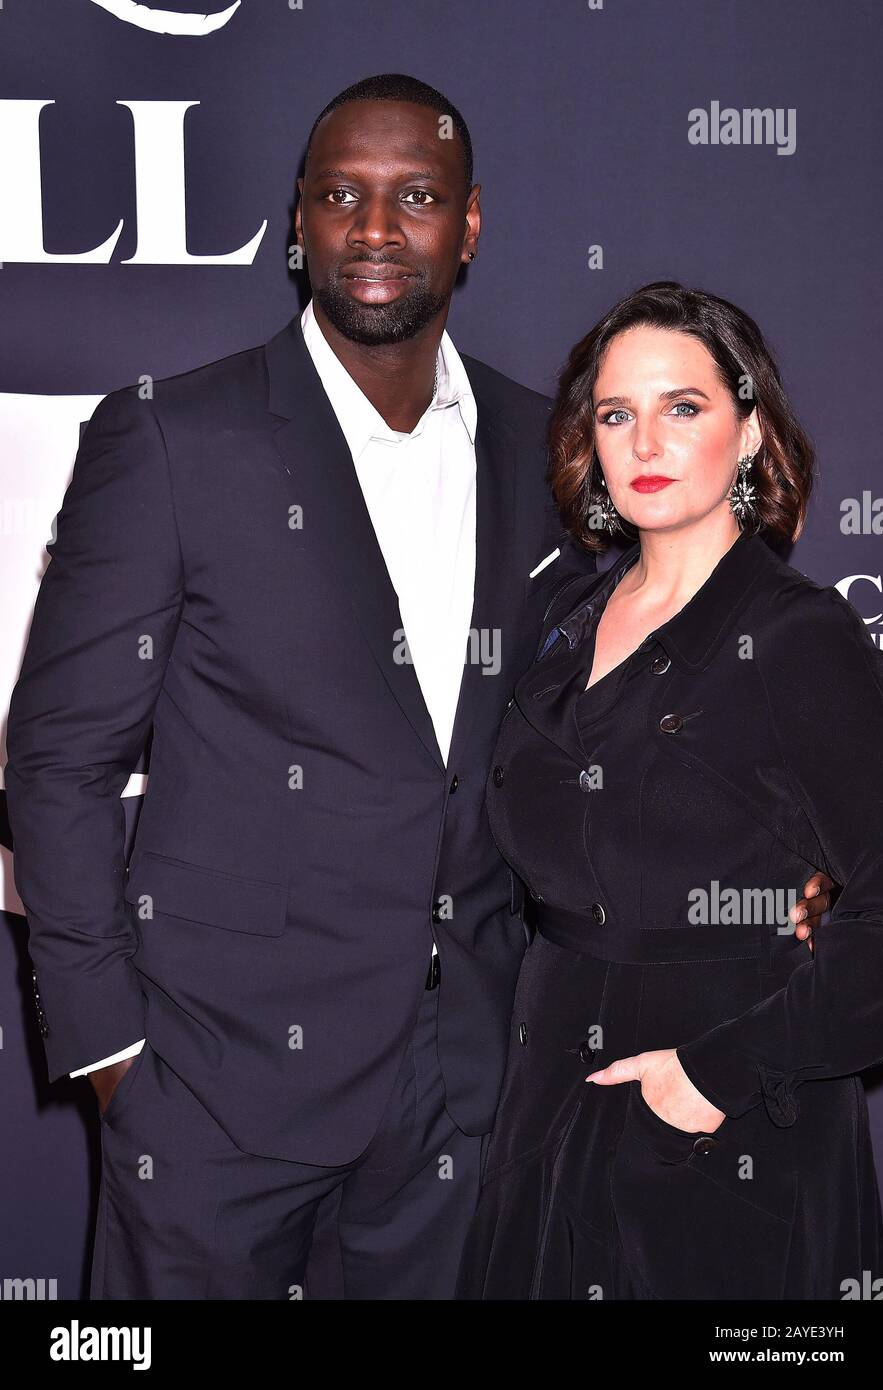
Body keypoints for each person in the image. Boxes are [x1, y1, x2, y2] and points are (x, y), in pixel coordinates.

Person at [5, 75, 830, 1299]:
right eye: (342, 196)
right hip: (211, 1098)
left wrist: (786, 873)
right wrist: (113, 1056)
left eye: (416, 198)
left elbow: (628, 700)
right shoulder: (177, 438)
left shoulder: (548, 450)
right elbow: (58, 759)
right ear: (298, 224)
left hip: (466, 1102)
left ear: (472, 223)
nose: (376, 229)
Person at [456, 280, 883, 1300]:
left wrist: (714, 1077)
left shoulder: (799, 637)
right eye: (617, 414)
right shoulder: (564, 616)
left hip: (724, 1128)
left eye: (682, 408)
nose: (645, 440)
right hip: (546, 1098)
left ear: (747, 431)